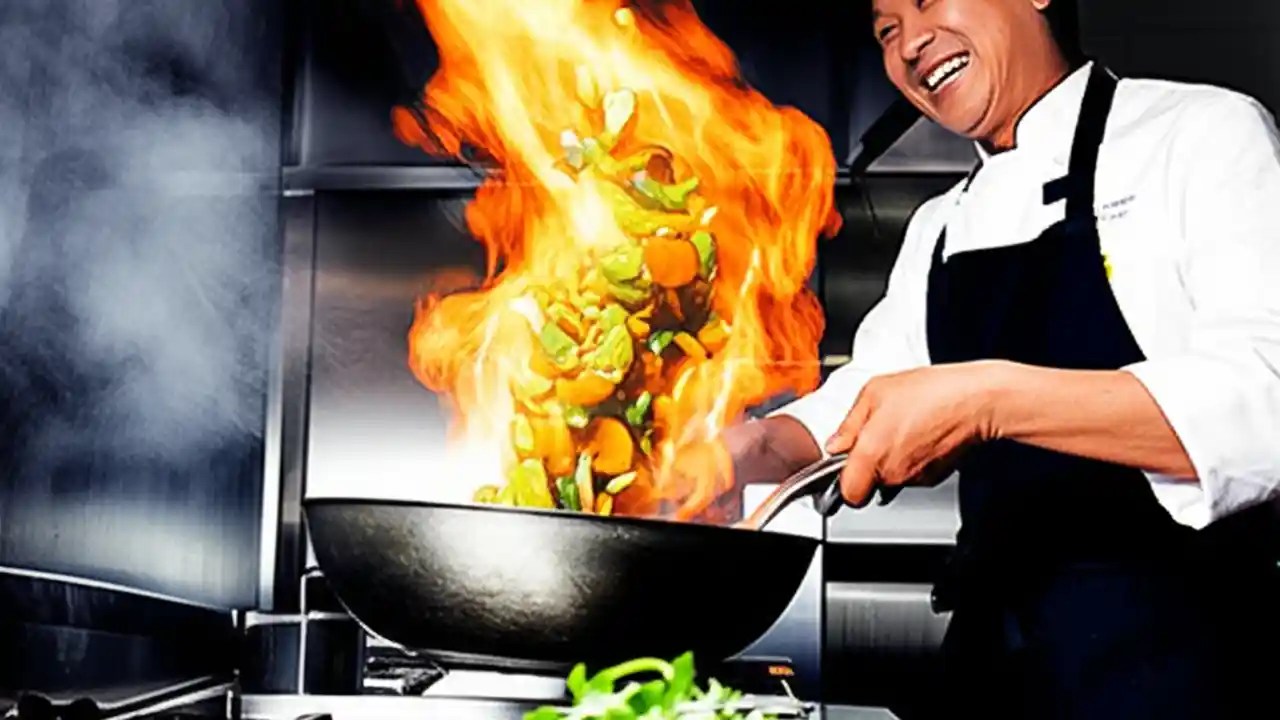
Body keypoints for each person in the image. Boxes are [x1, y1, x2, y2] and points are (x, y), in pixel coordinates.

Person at [716, 0, 1280, 717]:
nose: (910, 44)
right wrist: (745, 451)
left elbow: (1268, 404)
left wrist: (987, 402)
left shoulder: (1200, 134)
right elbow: (863, 398)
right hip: (998, 665)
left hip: (1178, 660)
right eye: (887, 30)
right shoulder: (941, 224)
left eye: (926, 2)